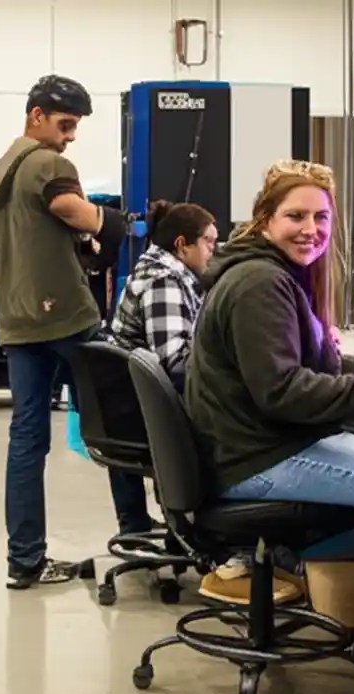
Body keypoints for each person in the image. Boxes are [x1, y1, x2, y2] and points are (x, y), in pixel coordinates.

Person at [183, 159, 354, 650]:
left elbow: (311, 365)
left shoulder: (269, 272)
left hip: (251, 446)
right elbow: (283, 392)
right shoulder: (260, 284)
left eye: (321, 217)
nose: (311, 229)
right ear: (266, 219)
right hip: (255, 457)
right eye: (296, 216)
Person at [0, 74, 128, 589]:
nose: (70, 137)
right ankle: (138, 533)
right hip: (65, 315)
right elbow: (69, 208)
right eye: (65, 124)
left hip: (17, 320)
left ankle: (24, 561)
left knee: (27, 438)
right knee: (120, 419)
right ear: (37, 115)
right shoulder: (48, 163)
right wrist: (113, 222)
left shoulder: (4, 165)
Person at [107, 200, 215, 536]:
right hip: (142, 410)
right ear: (182, 245)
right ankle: (201, 530)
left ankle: (174, 526)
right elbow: (175, 365)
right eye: (209, 242)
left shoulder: (157, 268)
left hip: (128, 404)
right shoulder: (163, 281)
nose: (214, 251)